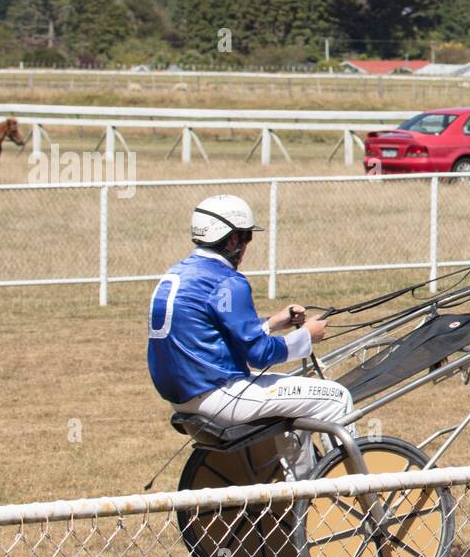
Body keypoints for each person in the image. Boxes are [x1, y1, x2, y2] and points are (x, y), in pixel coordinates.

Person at [147, 194, 355, 480]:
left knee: (294, 406)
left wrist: (273, 322)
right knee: (336, 397)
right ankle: (346, 492)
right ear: (232, 240)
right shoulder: (227, 281)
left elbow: (217, 329)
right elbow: (258, 353)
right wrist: (306, 336)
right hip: (221, 395)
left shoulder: (180, 273)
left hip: (184, 398)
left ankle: (302, 496)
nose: (246, 247)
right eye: (246, 238)